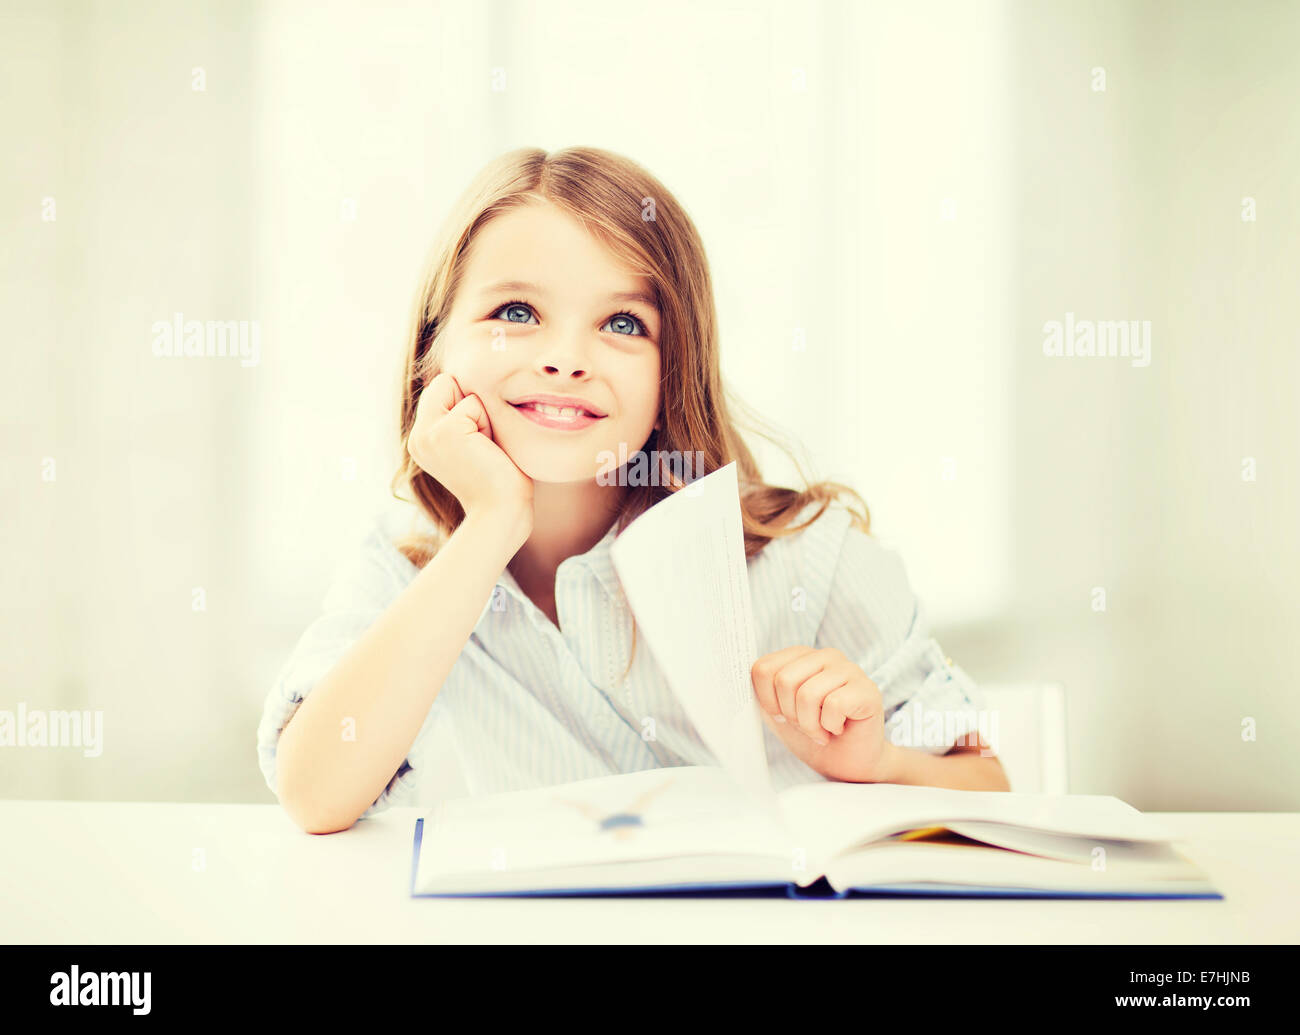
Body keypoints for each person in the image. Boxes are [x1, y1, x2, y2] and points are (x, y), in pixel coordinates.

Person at [257, 146, 1007, 834]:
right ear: (433, 350)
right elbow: (316, 794)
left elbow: (990, 790)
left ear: (672, 366)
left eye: (622, 322)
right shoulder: (406, 572)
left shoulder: (809, 561)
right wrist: (492, 522)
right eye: (515, 313)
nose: (565, 358)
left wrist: (878, 764)